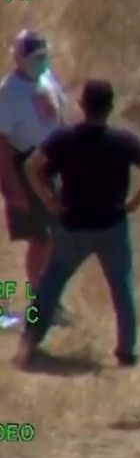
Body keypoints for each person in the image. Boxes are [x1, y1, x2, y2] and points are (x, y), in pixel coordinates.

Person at [11, 79, 140, 369]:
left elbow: (32, 166)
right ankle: (126, 351)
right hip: (112, 225)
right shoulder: (123, 141)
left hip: (72, 225)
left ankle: (29, 341)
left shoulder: (64, 139)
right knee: (122, 288)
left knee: (49, 285)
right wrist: (133, 204)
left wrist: (49, 201)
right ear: (110, 107)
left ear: (82, 105)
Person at [0, 29, 70, 328]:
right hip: (25, 167)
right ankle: (41, 303)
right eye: (34, 58)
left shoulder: (47, 80)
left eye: (43, 56)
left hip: (51, 165)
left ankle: (51, 300)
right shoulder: (9, 92)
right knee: (41, 239)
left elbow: (60, 118)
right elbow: (2, 143)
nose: (40, 62)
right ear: (19, 58)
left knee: (58, 237)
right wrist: (12, 186)